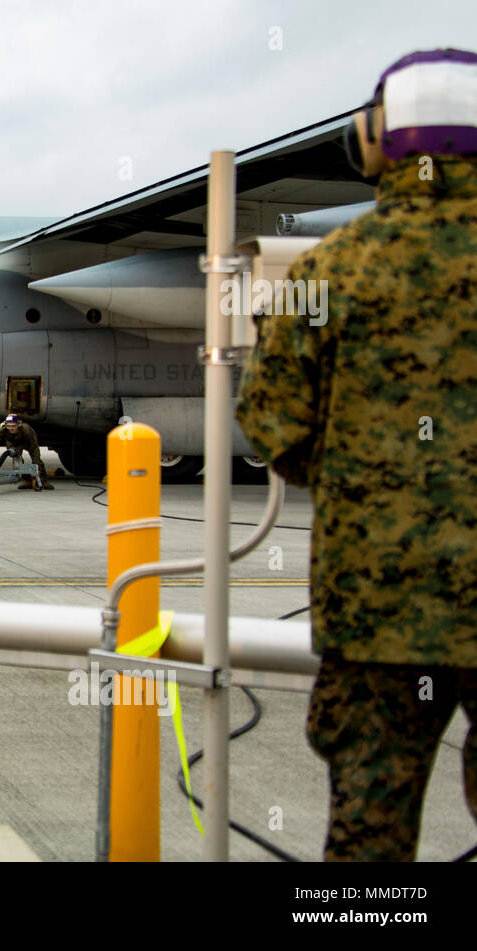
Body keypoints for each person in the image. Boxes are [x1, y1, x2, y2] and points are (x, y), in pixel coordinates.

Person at [235, 48, 477, 861]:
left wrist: (355, 475)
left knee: (368, 845)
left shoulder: (330, 270)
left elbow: (273, 431)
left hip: (376, 616)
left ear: (375, 142)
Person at [0, 414, 54, 489]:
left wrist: (36, 462)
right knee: (17, 462)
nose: (11, 428)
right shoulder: (2, 430)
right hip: (13, 442)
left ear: (18, 425)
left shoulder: (26, 430)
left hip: (28, 441)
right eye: (9, 426)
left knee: (37, 460)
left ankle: (43, 480)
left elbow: (34, 449)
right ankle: (28, 480)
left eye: (14, 426)